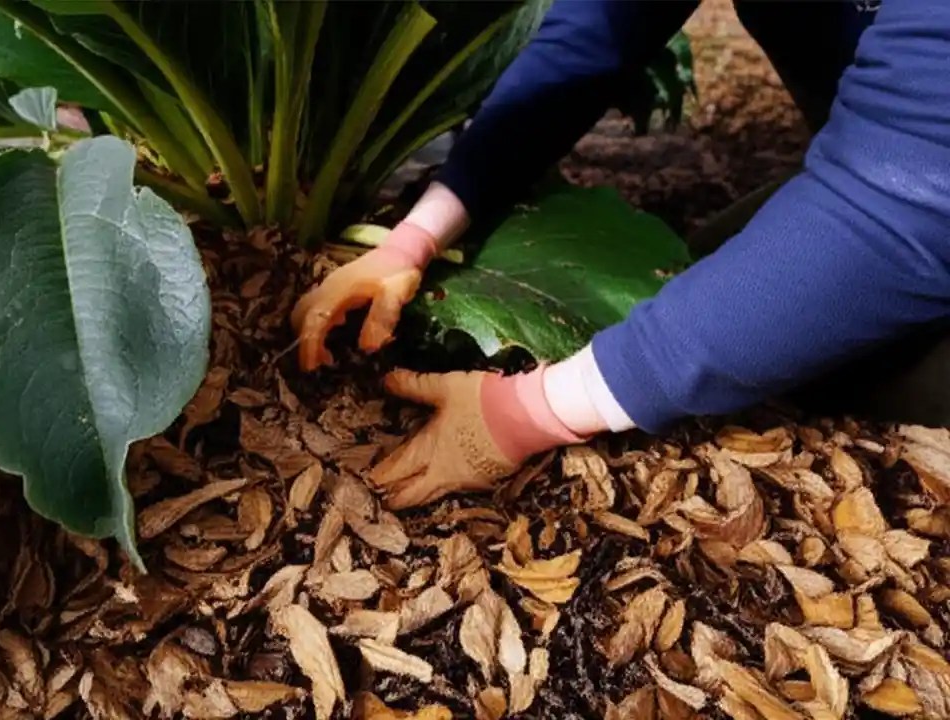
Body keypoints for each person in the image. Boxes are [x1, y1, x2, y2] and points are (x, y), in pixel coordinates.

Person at [291, 0, 950, 510]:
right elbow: (591, 37)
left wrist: (532, 411)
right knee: (700, 291)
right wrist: (415, 236)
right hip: (890, 168)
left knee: (794, 352)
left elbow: (914, 196)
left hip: (919, 186)